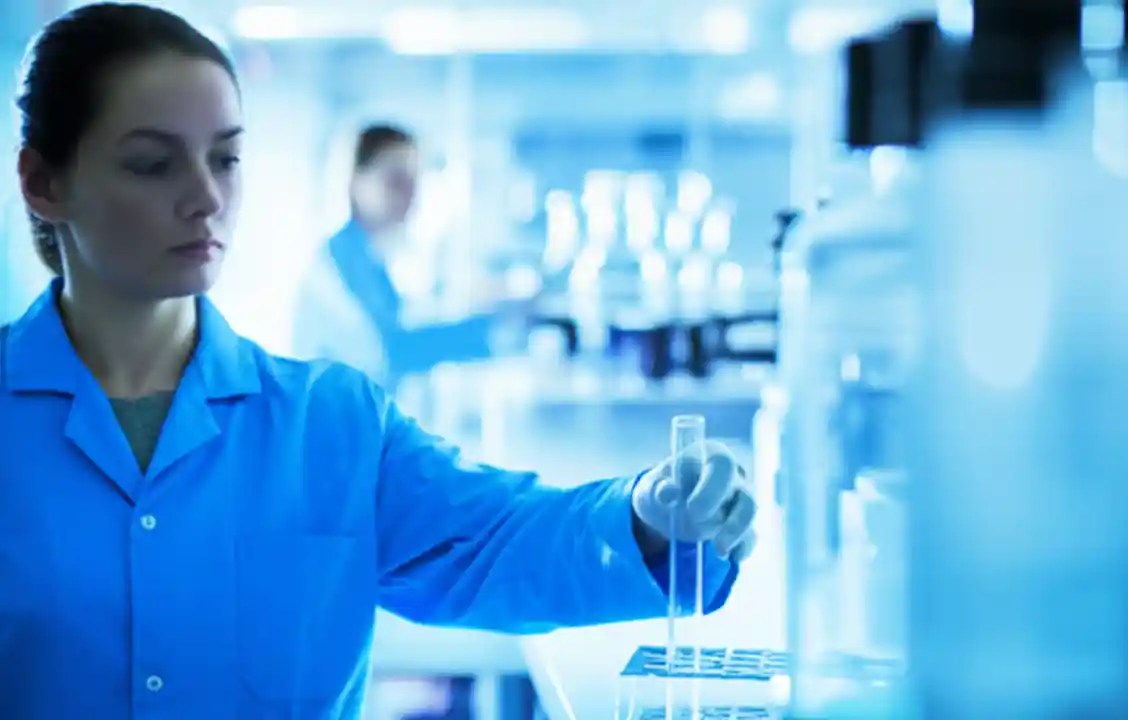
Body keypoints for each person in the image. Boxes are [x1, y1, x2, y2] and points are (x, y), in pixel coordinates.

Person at [1, 3, 758, 718]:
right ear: (44, 183)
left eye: (225, 159)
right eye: (151, 164)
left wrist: (646, 513)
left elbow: (498, 538)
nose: (205, 197)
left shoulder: (330, 425)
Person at [293, 123, 498, 392]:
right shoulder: (343, 259)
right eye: (396, 181)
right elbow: (389, 351)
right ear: (356, 182)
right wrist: (496, 328)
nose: (411, 195)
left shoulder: (369, 257)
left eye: (415, 181)